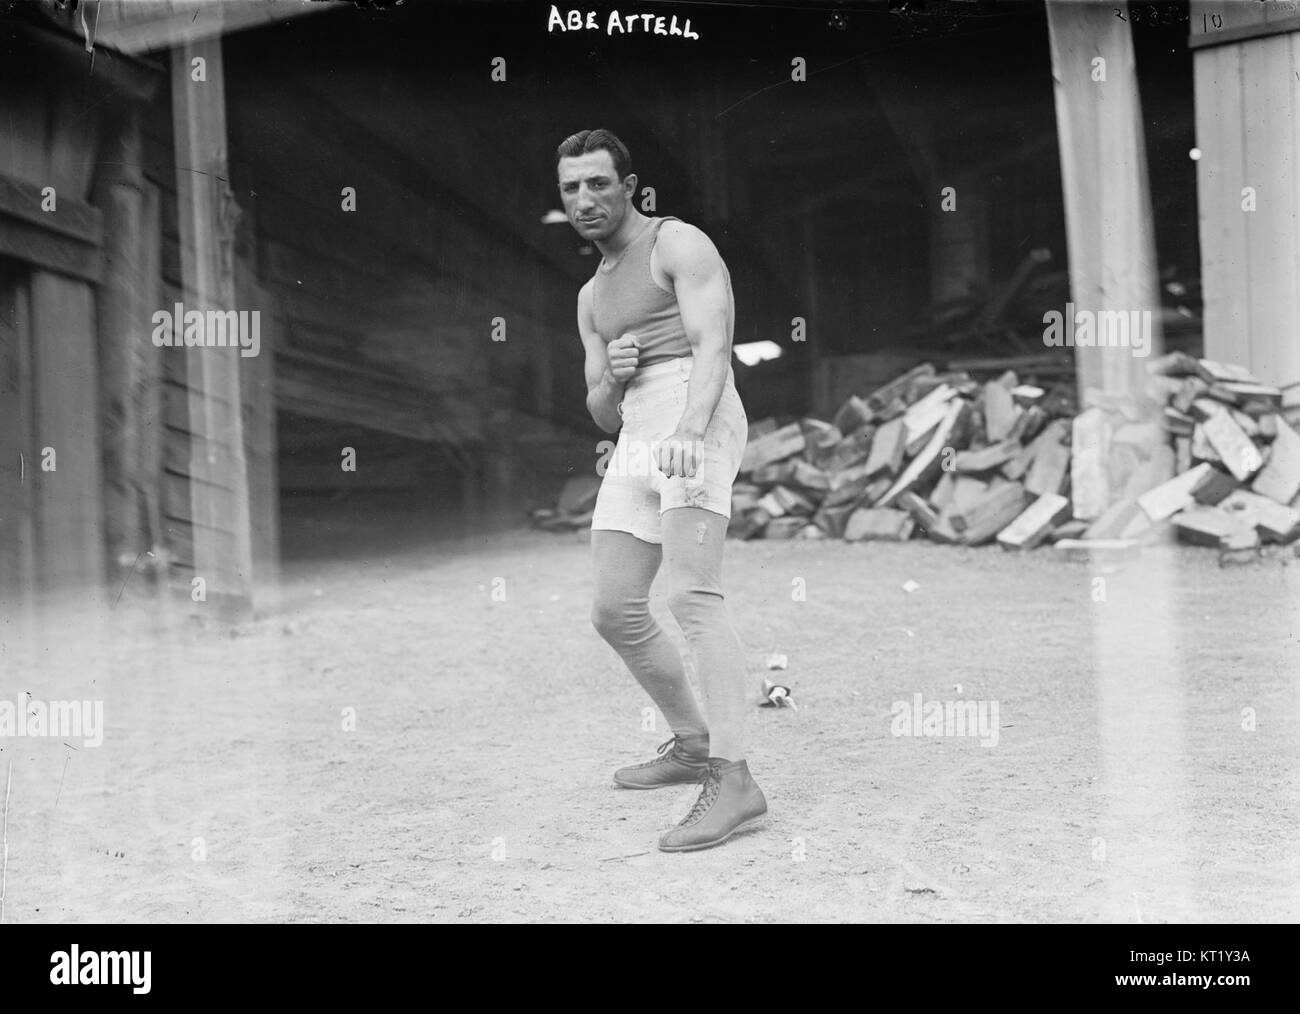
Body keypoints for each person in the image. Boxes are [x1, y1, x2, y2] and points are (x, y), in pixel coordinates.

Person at [556, 128, 767, 852]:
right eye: (571, 188)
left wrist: (690, 427)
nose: (585, 199)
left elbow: (714, 346)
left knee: (691, 596)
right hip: (639, 427)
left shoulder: (679, 245)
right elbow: (600, 409)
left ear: (629, 184)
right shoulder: (590, 295)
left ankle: (735, 780)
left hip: (695, 411)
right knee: (614, 608)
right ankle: (691, 743)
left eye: (597, 184)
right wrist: (612, 374)